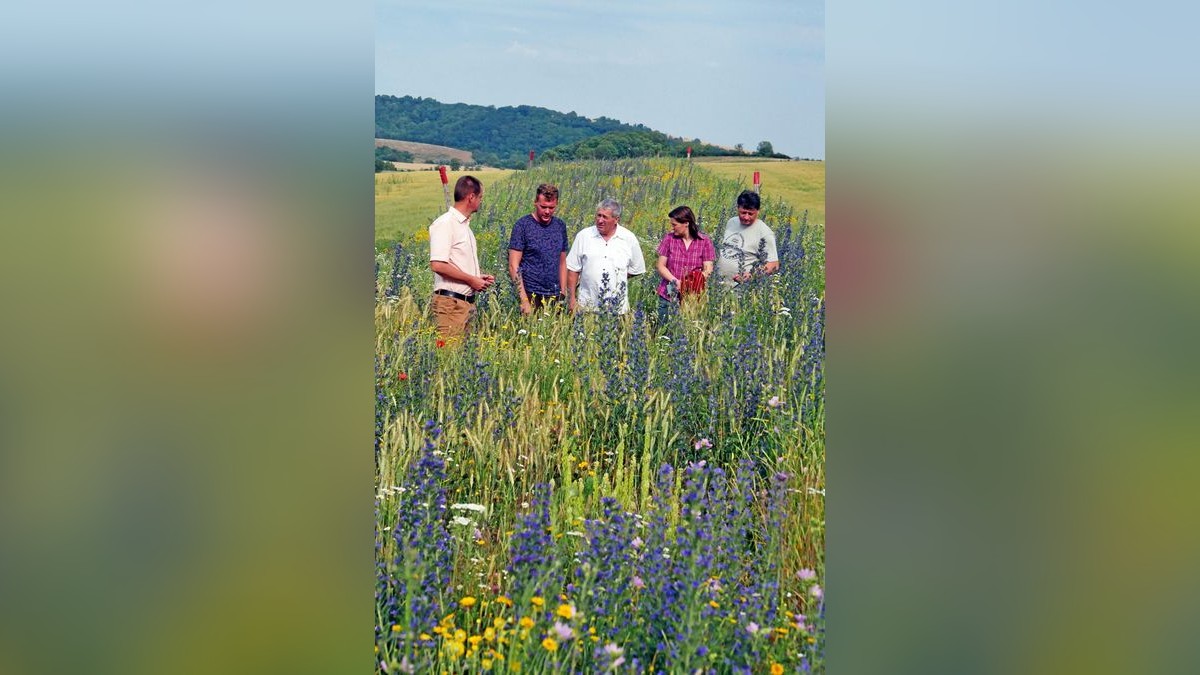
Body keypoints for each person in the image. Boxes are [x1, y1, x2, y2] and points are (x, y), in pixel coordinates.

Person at [428, 175, 494, 338]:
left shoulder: (465, 227)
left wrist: (477, 277)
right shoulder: (445, 223)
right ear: (471, 197)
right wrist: (471, 280)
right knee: (447, 357)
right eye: (480, 197)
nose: (481, 201)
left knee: (463, 359)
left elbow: (456, 263)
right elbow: (438, 265)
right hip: (451, 305)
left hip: (465, 304)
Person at [565, 198, 646, 314]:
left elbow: (636, 269)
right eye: (598, 215)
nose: (600, 220)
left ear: (616, 219)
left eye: (605, 217)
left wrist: (616, 276)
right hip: (587, 306)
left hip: (617, 308)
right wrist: (571, 299)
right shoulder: (584, 236)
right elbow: (573, 269)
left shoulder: (628, 238)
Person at [507, 183, 568, 314]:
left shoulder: (560, 226)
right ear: (535, 203)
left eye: (551, 208)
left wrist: (563, 292)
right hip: (531, 294)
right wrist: (523, 300)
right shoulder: (522, 226)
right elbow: (513, 265)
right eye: (543, 207)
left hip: (554, 295)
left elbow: (562, 261)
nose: (547, 211)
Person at [715, 190, 779, 283]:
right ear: (737, 208)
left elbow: (773, 264)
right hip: (719, 284)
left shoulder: (765, 233)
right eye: (743, 212)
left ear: (758, 211)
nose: (746, 217)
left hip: (741, 288)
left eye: (750, 213)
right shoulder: (731, 222)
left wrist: (752, 275)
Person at [655, 205, 715, 305]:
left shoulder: (704, 241)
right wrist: (676, 282)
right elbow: (661, 266)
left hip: (693, 297)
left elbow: (708, 269)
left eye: (674, 225)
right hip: (668, 293)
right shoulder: (669, 239)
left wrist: (690, 283)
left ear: (686, 223)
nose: (672, 228)